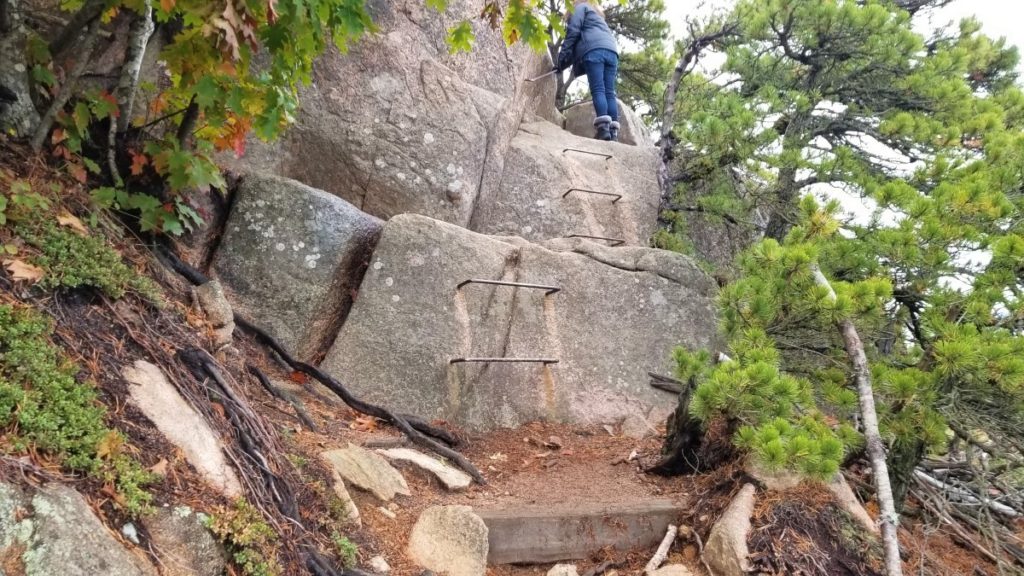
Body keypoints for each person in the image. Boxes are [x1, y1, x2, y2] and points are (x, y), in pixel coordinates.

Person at [555, 0, 620, 141]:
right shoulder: (597, 16)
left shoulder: (580, 7)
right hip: (612, 51)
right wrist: (563, 64)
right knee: (609, 92)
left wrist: (560, 61)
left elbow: (573, 33)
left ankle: (603, 129)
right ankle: (613, 132)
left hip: (594, 51)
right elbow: (582, 43)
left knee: (598, 89)